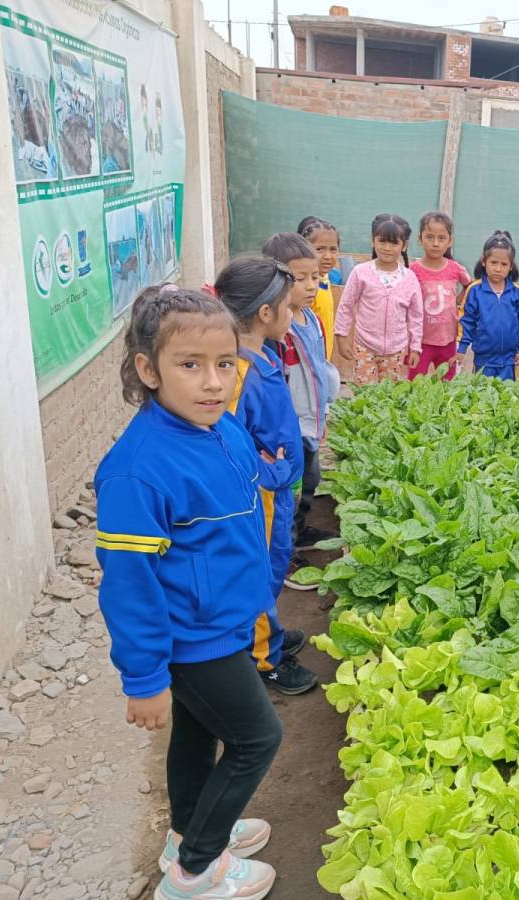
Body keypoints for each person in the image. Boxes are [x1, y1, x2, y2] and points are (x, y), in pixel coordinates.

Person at [94, 285, 281, 898]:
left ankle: (189, 833)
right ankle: (196, 871)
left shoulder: (220, 429)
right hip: (192, 640)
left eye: (225, 363)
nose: (213, 383)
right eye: (190, 365)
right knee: (258, 739)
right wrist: (144, 679)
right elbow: (128, 586)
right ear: (149, 371)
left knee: (199, 736)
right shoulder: (137, 469)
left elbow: (246, 494)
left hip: (224, 623)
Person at [215, 256, 318, 696]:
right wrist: (266, 470)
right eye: (287, 307)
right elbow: (223, 442)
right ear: (264, 313)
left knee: (274, 562)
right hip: (261, 494)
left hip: (276, 487)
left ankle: (267, 630)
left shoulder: (261, 356)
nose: (292, 314)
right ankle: (263, 658)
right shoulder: (237, 372)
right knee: (259, 570)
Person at [261, 233, 340, 586]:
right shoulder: (277, 330)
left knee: (311, 479)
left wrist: (326, 404)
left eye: (315, 277)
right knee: (287, 492)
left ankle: (301, 528)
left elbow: (319, 369)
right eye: (300, 278)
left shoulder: (311, 319)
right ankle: (284, 552)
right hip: (288, 427)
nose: (311, 285)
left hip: (311, 421)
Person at [334, 213, 423, 385]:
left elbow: (416, 316)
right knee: (364, 393)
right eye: (382, 241)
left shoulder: (409, 278)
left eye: (394, 243)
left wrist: (415, 348)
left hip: (396, 350)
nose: (387, 248)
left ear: (404, 245)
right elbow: (346, 305)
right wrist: (341, 336)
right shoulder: (360, 273)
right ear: (372, 241)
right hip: (364, 347)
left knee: (387, 395)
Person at [456, 231, 519, 381]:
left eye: (504, 264)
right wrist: (462, 347)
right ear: (483, 261)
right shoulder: (475, 290)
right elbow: (466, 321)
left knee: (507, 393)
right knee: (483, 392)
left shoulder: (516, 292)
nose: (498, 269)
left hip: (510, 360)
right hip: (483, 360)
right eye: (493, 263)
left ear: (511, 266)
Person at [410, 211, 471, 380]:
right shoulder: (413, 270)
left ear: (450, 241)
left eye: (442, 238)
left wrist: (457, 302)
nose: (435, 243)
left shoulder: (455, 268)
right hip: (420, 342)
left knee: (447, 383)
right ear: (420, 239)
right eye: (429, 237)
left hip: (448, 341)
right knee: (415, 383)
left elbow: (469, 286)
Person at [296, 216, 352, 360]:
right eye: (319, 249)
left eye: (333, 249)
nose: (328, 256)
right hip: (309, 360)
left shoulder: (325, 278)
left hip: (323, 359)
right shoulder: (305, 289)